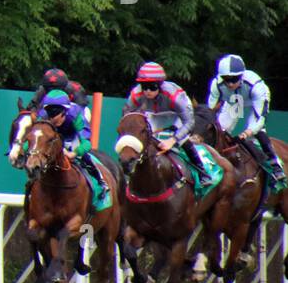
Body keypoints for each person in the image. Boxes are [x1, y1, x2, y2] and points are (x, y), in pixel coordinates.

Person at [123, 61, 211, 186]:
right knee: (144, 137)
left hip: (177, 114)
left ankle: (203, 172)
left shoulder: (175, 96)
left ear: (160, 85)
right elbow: (126, 115)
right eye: (144, 86)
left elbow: (189, 122)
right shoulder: (135, 94)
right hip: (154, 114)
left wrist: (173, 140)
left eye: (152, 87)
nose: (147, 91)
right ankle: (131, 173)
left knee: (182, 140)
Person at [206, 54, 286, 185]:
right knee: (219, 129)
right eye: (227, 79)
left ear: (242, 75)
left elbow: (259, 120)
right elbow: (210, 110)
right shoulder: (216, 84)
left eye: (234, 79)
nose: (230, 83)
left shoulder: (256, 86)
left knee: (257, 131)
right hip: (234, 101)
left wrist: (247, 133)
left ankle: (275, 165)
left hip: (254, 100)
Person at [39, 90, 105, 188]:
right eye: (50, 116)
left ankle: (100, 181)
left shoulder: (76, 114)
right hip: (55, 136)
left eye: (57, 118)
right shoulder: (43, 116)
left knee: (83, 155)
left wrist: (74, 153)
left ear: (65, 112)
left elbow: (87, 143)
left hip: (72, 135)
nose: (53, 120)